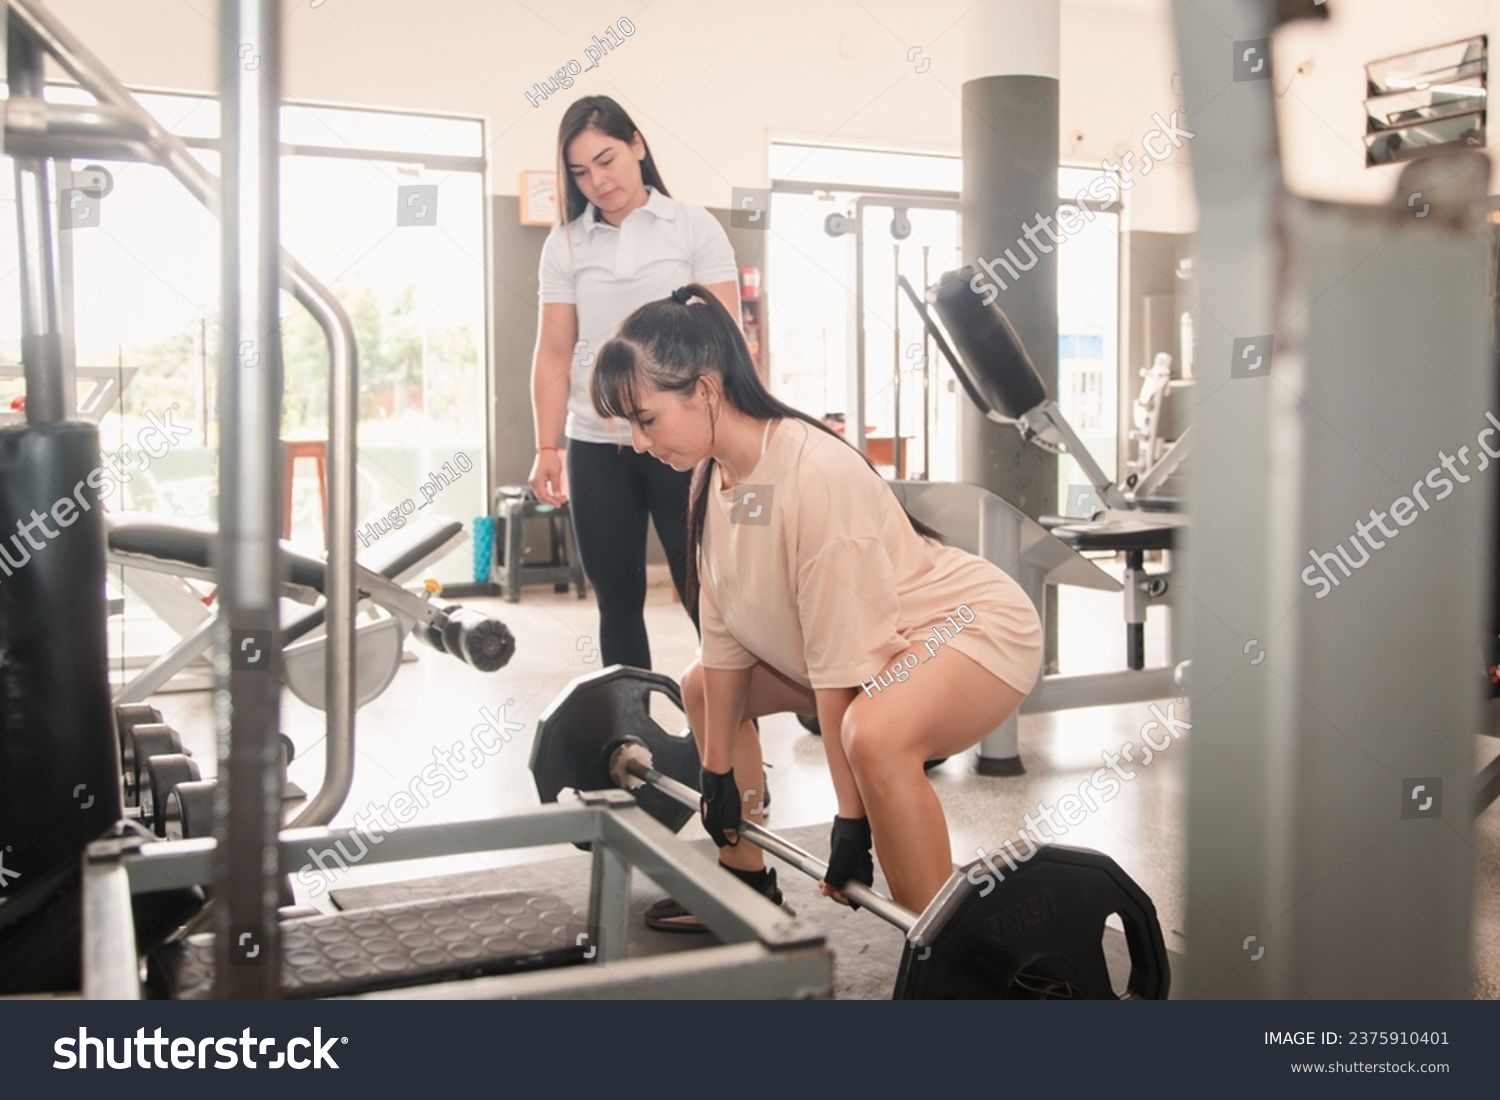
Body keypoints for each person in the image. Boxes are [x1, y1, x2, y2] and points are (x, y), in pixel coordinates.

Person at [591, 283, 1044, 930]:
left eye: (646, 419)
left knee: (873, 735)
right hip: (870, 644)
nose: (639, 444)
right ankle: (744, 883)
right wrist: (715, 775)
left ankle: (945, 953)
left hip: (967, 627)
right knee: (702, 686)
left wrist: (849, 821)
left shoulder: (813, 473)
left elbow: (843, 667)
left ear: (705, 391)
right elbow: (724, 634)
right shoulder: (718, 476)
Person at [529, 95, 743, 670]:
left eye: (606, 160)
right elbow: (554, 350)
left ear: (637, 146)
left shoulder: (692, 225)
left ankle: (729, 725)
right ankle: (630, 721)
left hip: (685, 440)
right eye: (580, 172)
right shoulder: (565, 243)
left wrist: (733, 442)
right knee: (617, 601)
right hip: (597, 444)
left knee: (705, 593)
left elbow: (726, 338)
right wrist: (546, 445)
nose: (598, 181)